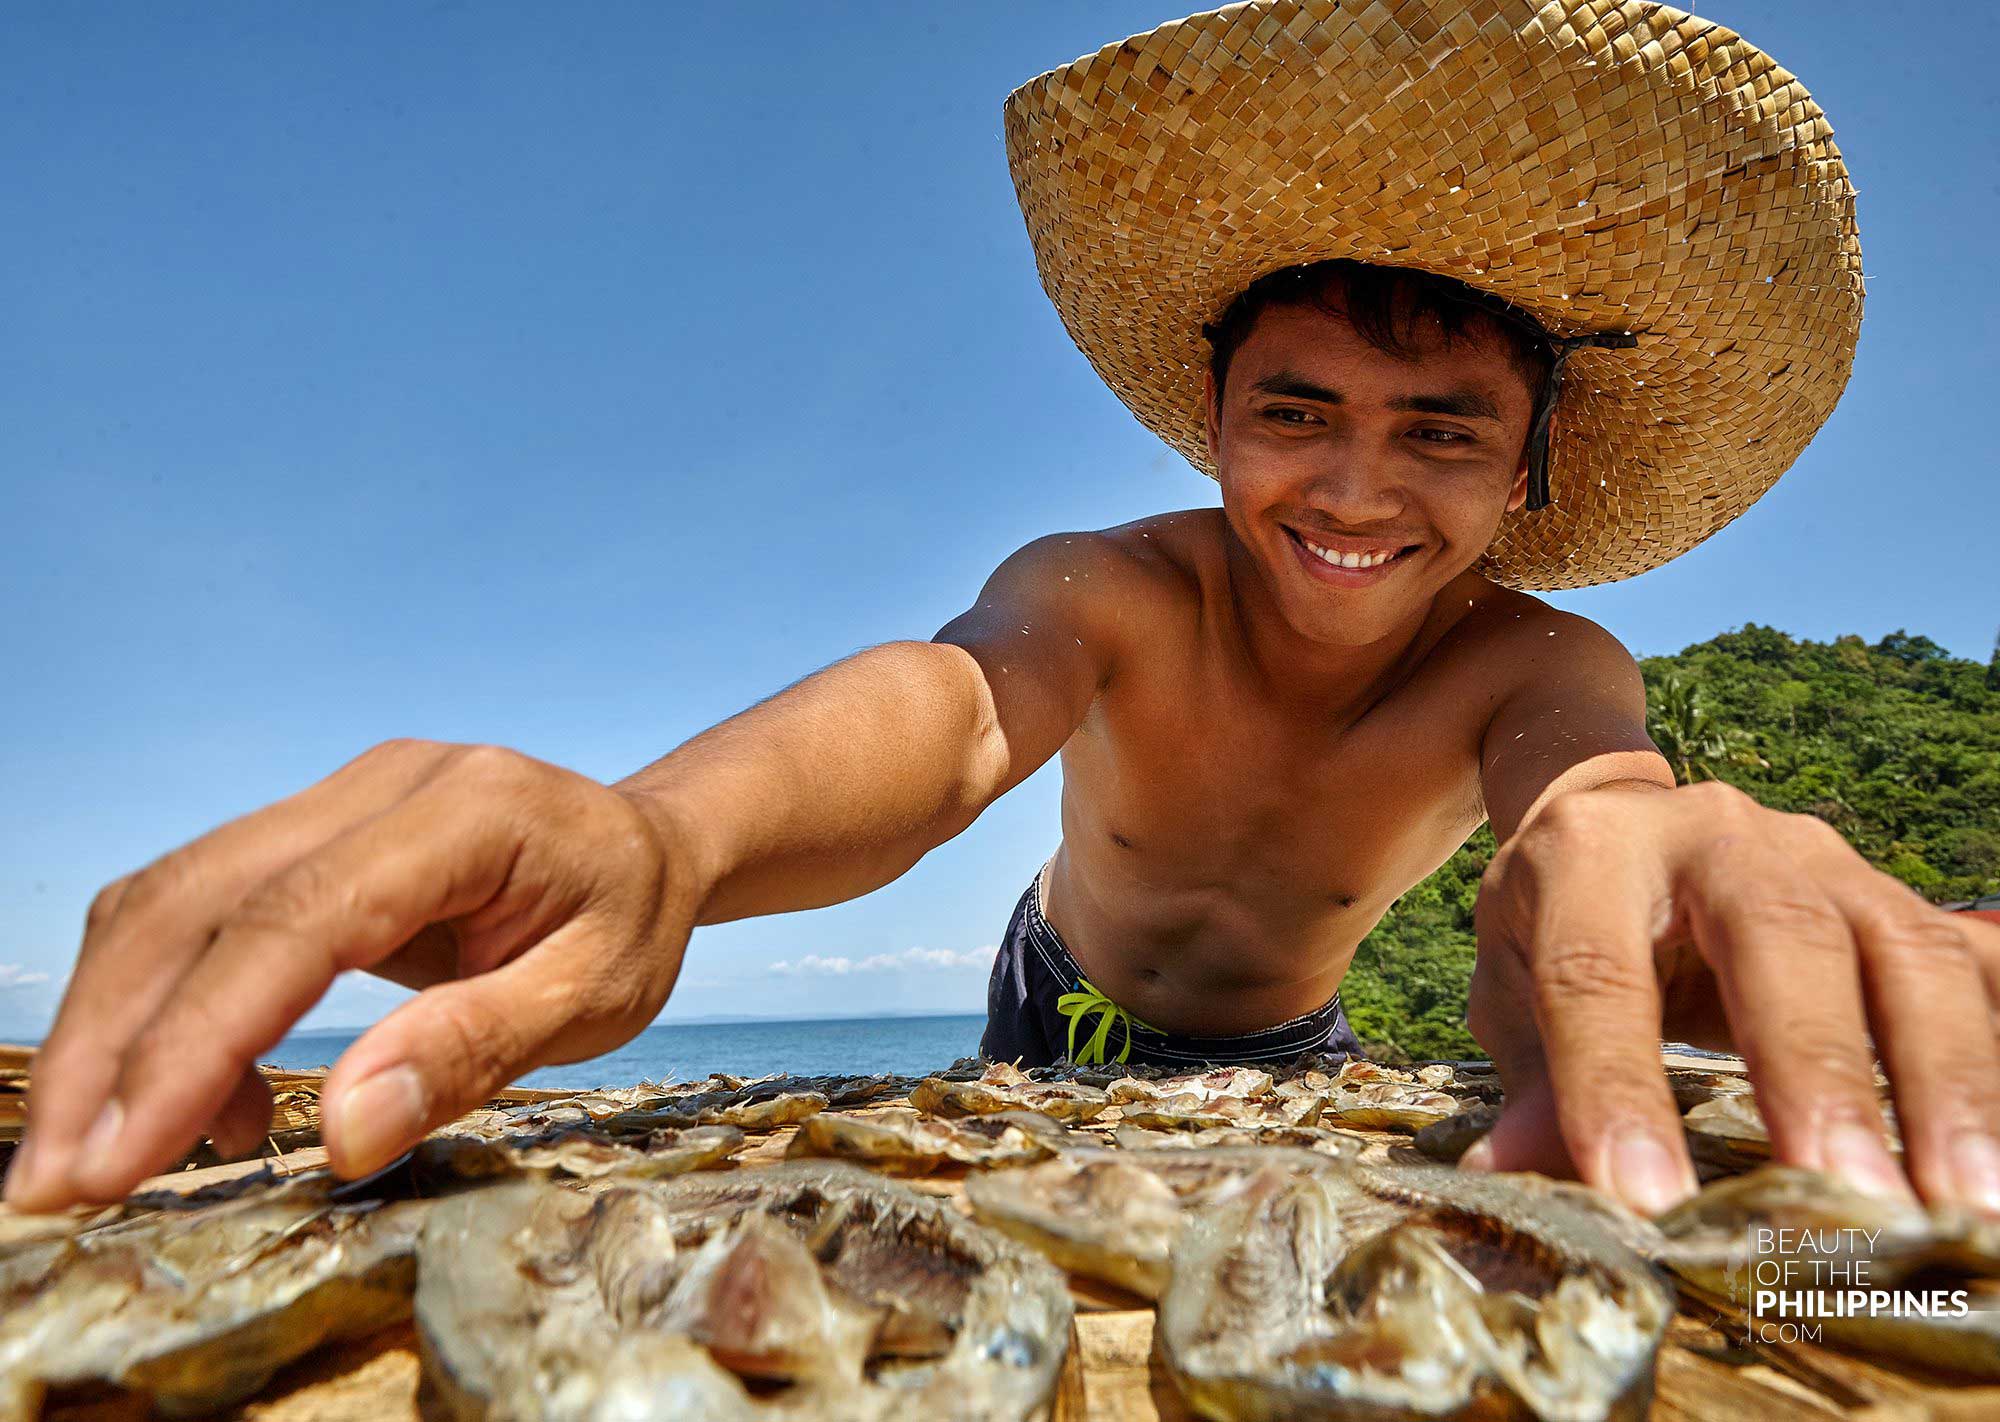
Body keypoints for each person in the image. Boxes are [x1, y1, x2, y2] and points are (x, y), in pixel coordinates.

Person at [8, 0, 1998, 1221]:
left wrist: (1654, 843)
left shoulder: (1536, 664)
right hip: (1046, 997)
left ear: (1530, 472)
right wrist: (663, 838)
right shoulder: (1115, 591)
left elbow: (1590, 802)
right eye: (1294, 415)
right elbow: (956, 711)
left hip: (1294, 1042)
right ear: (1207, 428)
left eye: (1442, 434)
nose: (1358, 486)